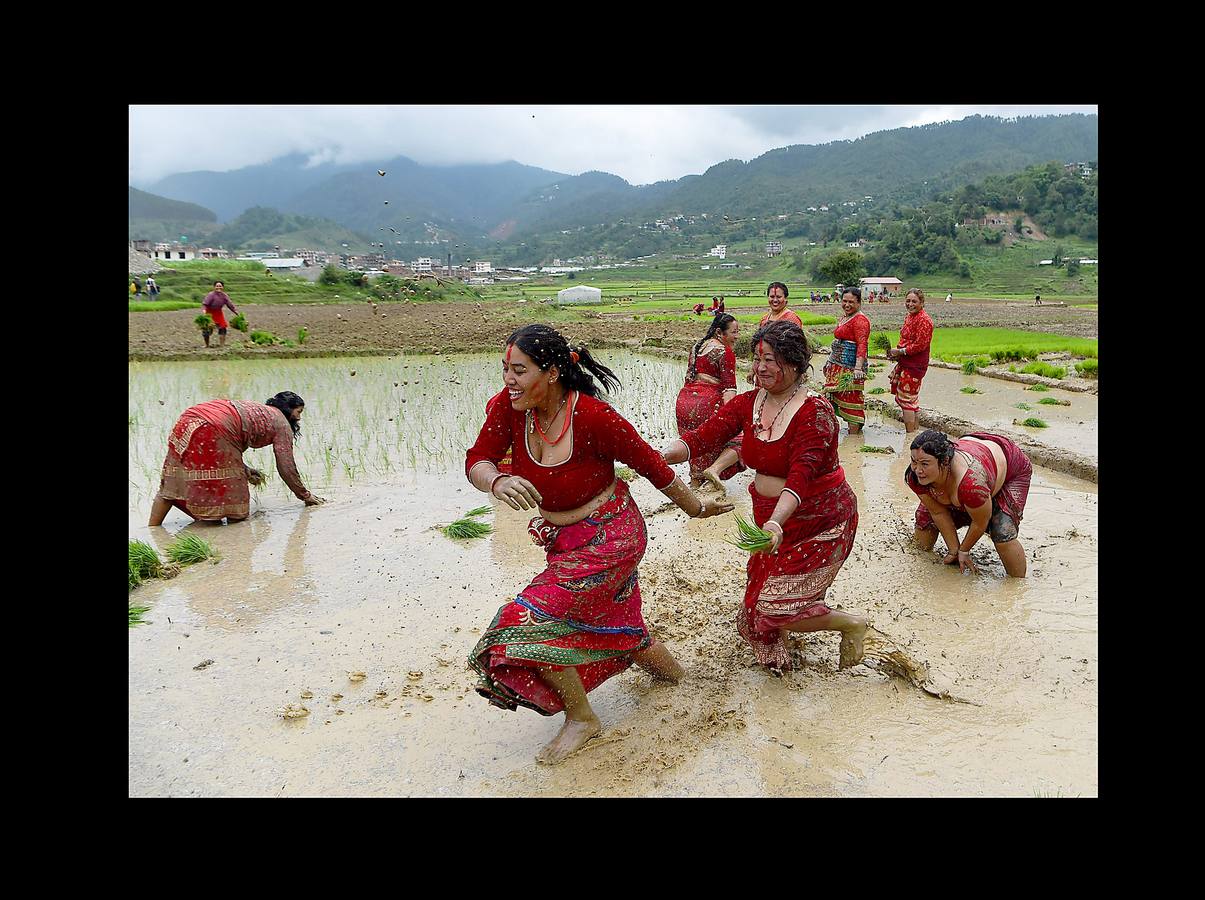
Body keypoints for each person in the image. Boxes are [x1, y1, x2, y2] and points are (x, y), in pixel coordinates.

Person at [464, 324, 733, 765]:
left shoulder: (592, 417)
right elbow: (478, 459)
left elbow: (651, 465)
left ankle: (582, 718)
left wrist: (697, 507)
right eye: (505, 369)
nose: (509, 380)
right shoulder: (508, 408)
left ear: (551, 373)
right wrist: (496, 480)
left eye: (520, 370)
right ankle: (683, 682)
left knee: (531, 619)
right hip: (563, 541)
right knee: (620, 625)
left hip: (613, 536)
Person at [664, 321, 868, 670]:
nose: (760, 367)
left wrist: (776, 521)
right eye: (757, 359)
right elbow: (703, 437)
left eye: (770, 360)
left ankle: (851, 624)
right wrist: (658, 457)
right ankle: (785, 652)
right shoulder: (749, 403)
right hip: (772, 522)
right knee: (753, 617)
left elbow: (801, 477)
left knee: (775, 610)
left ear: (795, 363)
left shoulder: (815, 412)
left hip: (818, 520)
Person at [148, 391, 325, 526]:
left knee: (171, 485)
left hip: (189, 419)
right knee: (235, 502)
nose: (299, 418)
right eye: (298, 412)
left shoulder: (257, 410)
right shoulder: (282, 424)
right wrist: (305, 495)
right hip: (215, 427)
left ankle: (152, 530)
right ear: (287, 409)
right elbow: (286, 465)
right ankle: (230, 536)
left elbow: (228, 449)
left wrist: (245, 469)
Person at [905, 429, 1032, 578]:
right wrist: (954, 550)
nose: (918, 470)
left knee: (1002, 530)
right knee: (924, 521)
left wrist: (964, 550)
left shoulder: (972, 483)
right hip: (974, 452)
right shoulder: (914, 476)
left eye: (925, 464)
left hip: (1009, 466)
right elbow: (937, 512)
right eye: (914, 462)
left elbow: (981, 521)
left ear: (944, 461)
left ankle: (1018, 584)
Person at [675, 313, 745, 491]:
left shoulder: (696, 347)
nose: (737, 336)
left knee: (695, 444)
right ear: (719, 333)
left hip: (684, 402)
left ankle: (695, 485)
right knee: (741, 440)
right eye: (734, 332)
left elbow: (689, 377)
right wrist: (735, 419)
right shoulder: (725, 352)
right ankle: (713, 474)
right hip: (707, 403)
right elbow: (729, 390)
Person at [887, 288, 935, 433]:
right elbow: (905, 339)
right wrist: (897, 353)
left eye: (914, 301)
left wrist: (900, 351)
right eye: (908, 301)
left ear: (922, 303)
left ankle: (910, 435)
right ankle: (914, 432)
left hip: (915, 364)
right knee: (910, 400)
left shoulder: (924, 320)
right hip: (906, 362)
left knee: (907, 400)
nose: (910, 304)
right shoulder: (910, 317)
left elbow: (920, 345)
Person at [823, 286, 870, 433]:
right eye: (844, 301)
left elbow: (862, 345)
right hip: (836, 366)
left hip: (849, 369)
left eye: (851, 302)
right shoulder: (845, 317)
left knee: (851, 402)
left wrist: (858, 368)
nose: (847, 305)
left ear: (859, 303)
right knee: (832, 399)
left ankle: (854, 437)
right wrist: (829, 362)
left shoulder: (860, 320)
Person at [202, 280, 239, 348]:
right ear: (214, 287)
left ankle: (222, 345)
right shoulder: (211, 295)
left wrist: (236, 312)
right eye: (217, 286)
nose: (218, 287)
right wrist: (204, 311)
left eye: (220, 286)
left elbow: (230, 305)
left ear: (223, 287)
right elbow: (205, 304)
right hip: (209, 313)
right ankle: (207, 345)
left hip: (218, 313)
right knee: (207, 329)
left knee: (223, 328)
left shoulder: (224, 296)